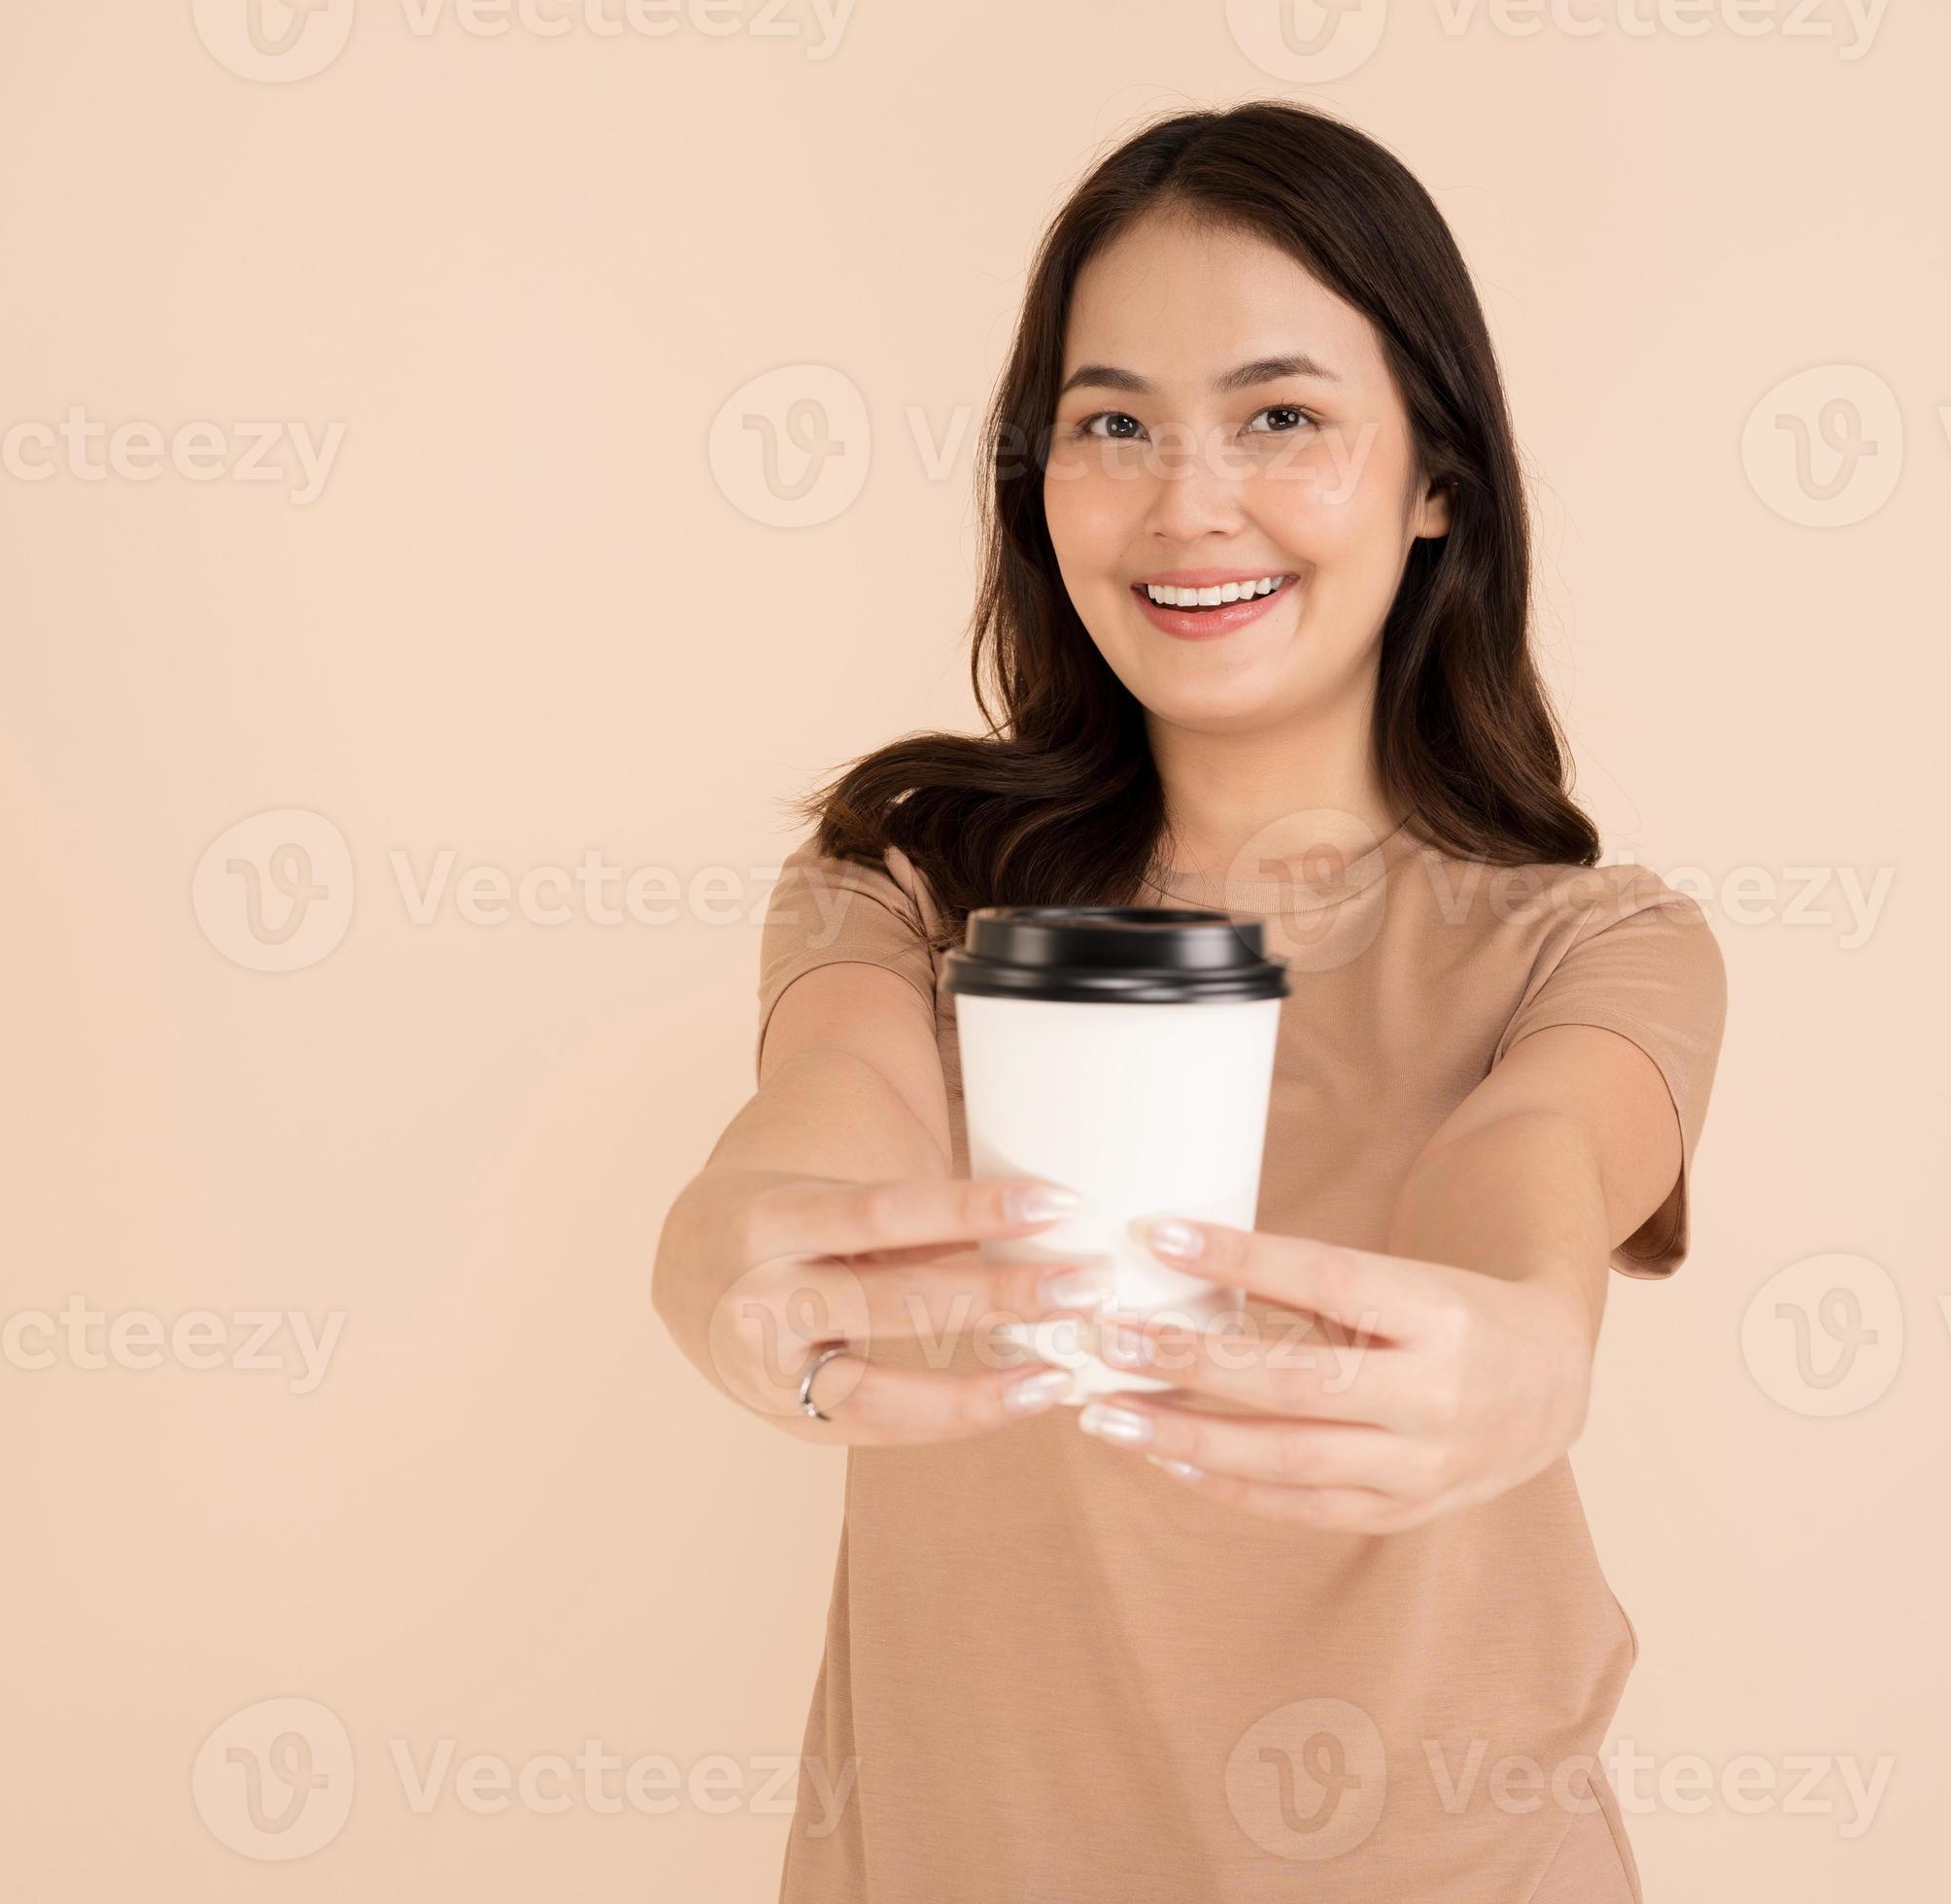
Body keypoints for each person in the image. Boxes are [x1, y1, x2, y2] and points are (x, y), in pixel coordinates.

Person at [651, 99, 1727, 1904]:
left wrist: (1526, 1345)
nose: (1184, 500)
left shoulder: (1591, 943)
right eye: (1113, 423)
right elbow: (820, 1131)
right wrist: (725, 1254)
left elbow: (1527, 1184)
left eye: (1283, 416)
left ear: (1436, 479)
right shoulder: (910, 886)